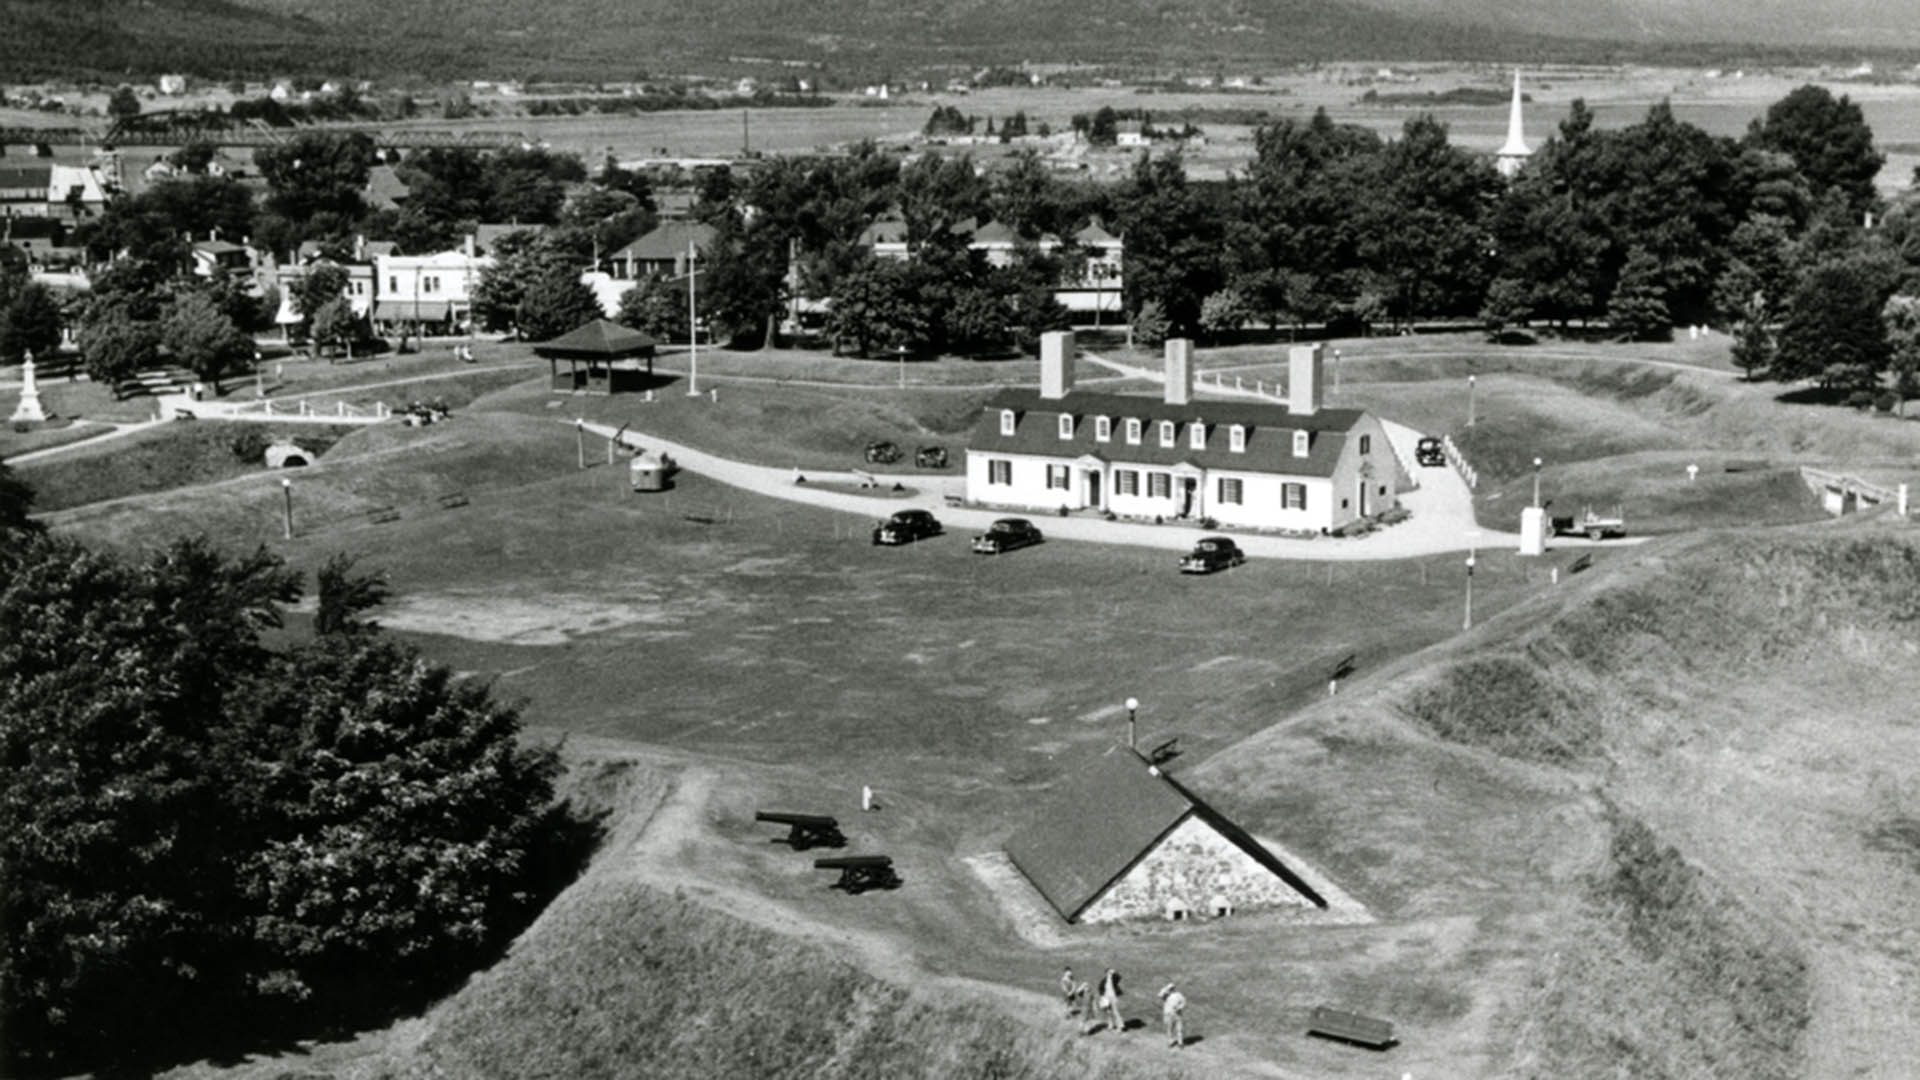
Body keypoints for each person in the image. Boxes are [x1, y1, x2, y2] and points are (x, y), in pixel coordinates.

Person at [1159, 982, 1188, 1048]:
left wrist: (1180, 1007)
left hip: (1177, 1014)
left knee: (1179, 1029)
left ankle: (1180, 1043)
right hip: (1169, 1015)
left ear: (1174, 988)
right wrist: (1165, 989)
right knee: (1169, 1029)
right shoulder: (1165, 995)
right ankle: (1170, 1042)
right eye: (1170, 988)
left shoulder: (1178, 995)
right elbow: (1159, 995)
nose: (1171, 989)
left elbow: (1184, 1002)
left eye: (1172, 988)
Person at [1097, 968, 1124, 1033]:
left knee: (1115, 1012)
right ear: (1106, 974)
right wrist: (1102, 996)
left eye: (1111, 973)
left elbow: (1119, 977)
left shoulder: (1114, 979)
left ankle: (1120, 1027)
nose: (1110, 974)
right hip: (1106, 998)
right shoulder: (1104, 980)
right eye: (1108, 973)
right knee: (1108, 1012)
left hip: (1113, 997)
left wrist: (1114, 972)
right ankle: (1110, 1025)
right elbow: (1100, 988)